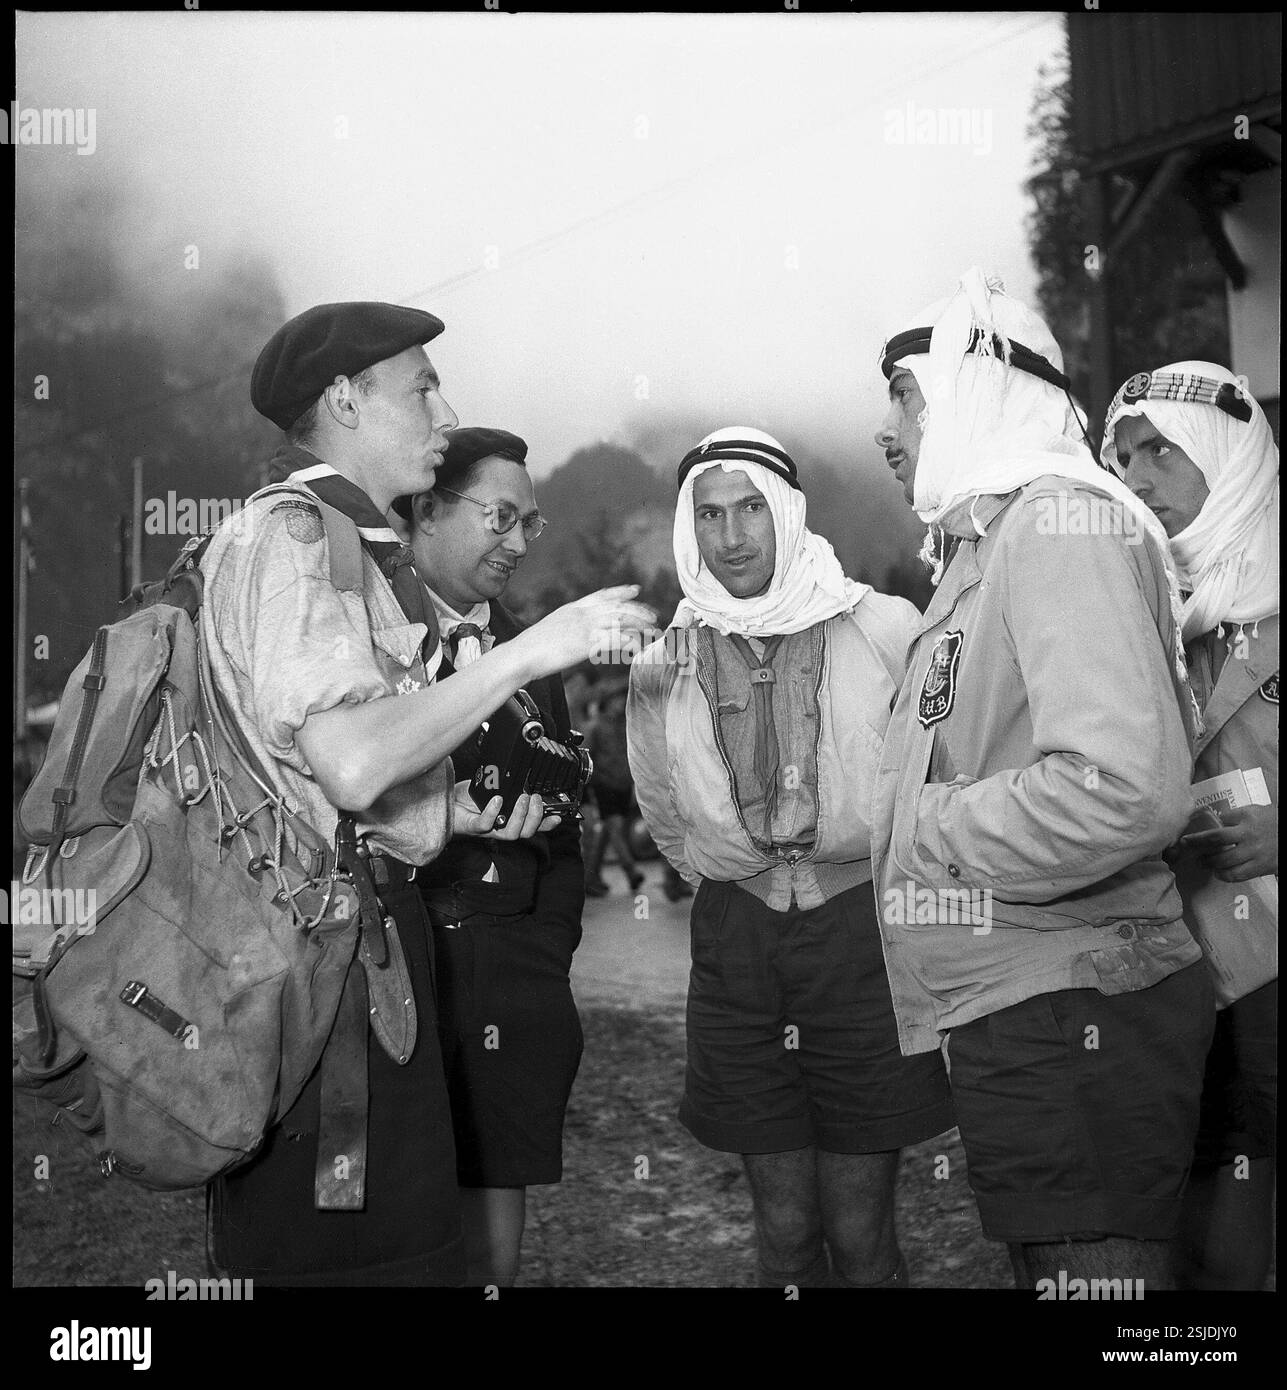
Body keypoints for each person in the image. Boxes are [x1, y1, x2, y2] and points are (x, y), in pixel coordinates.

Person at [199, 302, 652, 1285]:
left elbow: (347, 789)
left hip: (359, 969)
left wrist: (450, 815)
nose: (445, 413)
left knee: (405, 1253)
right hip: (319, 988)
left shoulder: (354, 551)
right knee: (352, 1261)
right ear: (344, 400)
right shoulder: (293, 536)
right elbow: (352, 762)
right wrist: (538, 647)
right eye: (422, 387)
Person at [870, 269, 1214, 1291]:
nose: (886, 430)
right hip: (1032, 1003)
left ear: (979, 389)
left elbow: (1123, 789)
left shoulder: (1058, 527)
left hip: (1075, 1011)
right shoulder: (995, 543)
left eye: (904, 390)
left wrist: (926, 831)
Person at [627, 426, 953, 1289]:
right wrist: (741, 877)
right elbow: (662, 808)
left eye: (749, 511)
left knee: (862, 1233)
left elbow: (934, 777)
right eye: (708, 515)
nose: (730, 537)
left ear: (787, 515)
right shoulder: (664, 662)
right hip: (737, 947)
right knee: (782, 1234)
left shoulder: (885, 629)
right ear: (685, 529)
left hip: (860, 941)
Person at [390, 426, 587, 1287]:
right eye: (499, 516)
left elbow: (562, 820)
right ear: (428, 512)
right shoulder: (356, 635)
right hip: (394, 969)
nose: (514, 542)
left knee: (493, 1246)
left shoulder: (530, 654)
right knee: (395, 1216)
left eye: (527, 524)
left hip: (508, 974)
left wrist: (542, 951)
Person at [1102, 361, 1278, 1290]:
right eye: (1122, 456)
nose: (1134, 479)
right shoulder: (1137, 602)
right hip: (1175, 964)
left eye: (1159, 452)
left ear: (1223, 451)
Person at [583, 683, 644, 896]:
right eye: (616, 699)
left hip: (623, 784)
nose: (620, 703)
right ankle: (631, 870)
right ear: (606, 702)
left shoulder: (626, 724)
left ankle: (590, 877)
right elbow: (588, 757)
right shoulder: (596, 726)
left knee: (609, 831)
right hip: (603, 784)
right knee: (615, 827)